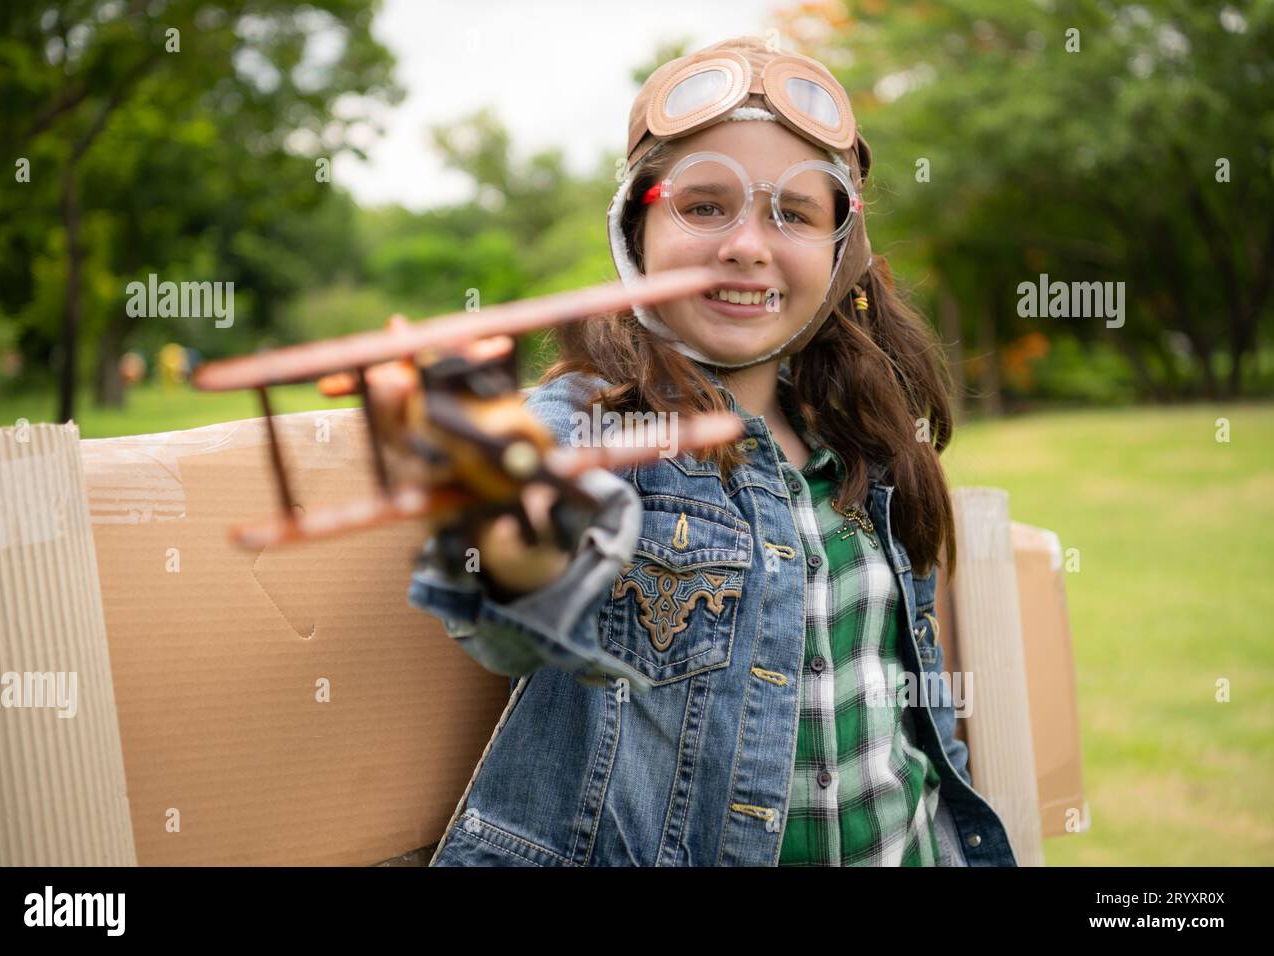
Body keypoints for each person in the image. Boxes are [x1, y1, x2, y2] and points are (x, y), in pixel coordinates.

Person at [409, 35, 1017, 867]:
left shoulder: (866, 441)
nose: (747, 244)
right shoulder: (589, 423)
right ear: (636, 226)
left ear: (840, 249)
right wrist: (503, 517)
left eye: (794, 212)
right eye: (703, 206)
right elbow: (501, 616)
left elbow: (909, 718)